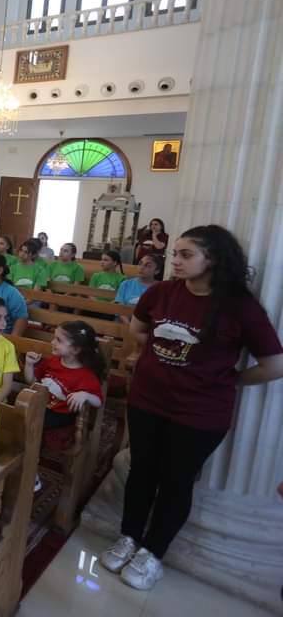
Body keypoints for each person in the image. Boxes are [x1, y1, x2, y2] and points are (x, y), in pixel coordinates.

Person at [101, 225, 283, 591]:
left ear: (213, 259)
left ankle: (153, 552)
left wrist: (231, 379)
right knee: (141, 471)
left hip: (199, 414)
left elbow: (274, 364)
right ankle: (129, 537)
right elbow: (137, 330)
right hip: (148, 400)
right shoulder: (162, 293)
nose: (176, 262)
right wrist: (154, 352)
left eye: (186, 255)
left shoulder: (239, 307)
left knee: (175, 482)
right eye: (176, 254)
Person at [23, 321, 105, 430]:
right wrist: (29, 364)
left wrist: (85, 395)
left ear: (75, 349)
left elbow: (98, 401)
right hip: (40, 405)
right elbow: (32, 382)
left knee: (34, 422)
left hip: (60, 414)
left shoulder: (85, 375)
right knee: (21, 413)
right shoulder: (52, 362)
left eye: (59, 340)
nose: (52, 342)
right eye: (54, 338)